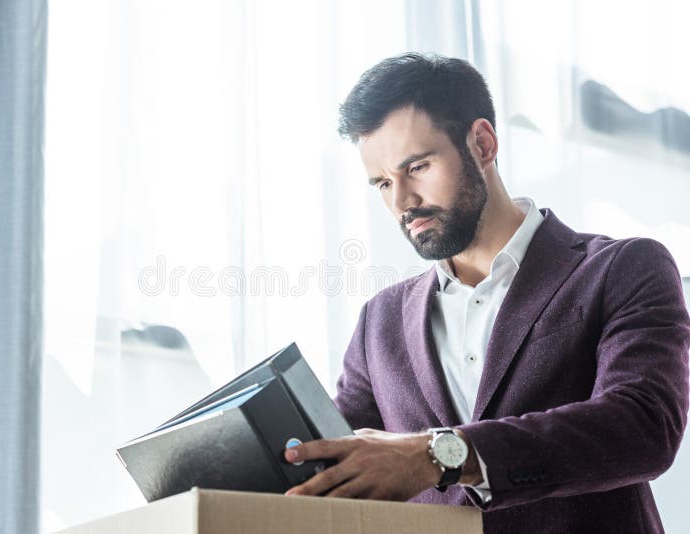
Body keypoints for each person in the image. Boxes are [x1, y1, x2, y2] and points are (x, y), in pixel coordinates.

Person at [282, 53, 690, 533]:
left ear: (482, 142)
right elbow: (338, 464)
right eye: (383, 183)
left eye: (417, 167)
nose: (401, 203)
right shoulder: (380, 322)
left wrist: (438, 455)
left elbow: (641, 427)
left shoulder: (623, 268)